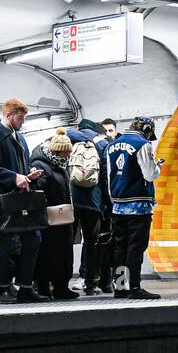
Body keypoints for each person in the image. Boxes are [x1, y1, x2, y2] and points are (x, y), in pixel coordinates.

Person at [0, 98, 44, 303]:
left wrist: (28, 173)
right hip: (1, 203)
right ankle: (4, 288)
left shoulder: (21, 138)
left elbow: (22, 165)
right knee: (3, 247)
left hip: (20, 202)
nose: (22, 122)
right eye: (20, 118)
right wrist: (13, 177)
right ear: (8, 115)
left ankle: (25, 287)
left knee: (33, 239)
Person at [105, 115, 162, 300]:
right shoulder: (142, 144)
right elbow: (149, 174)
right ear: (146, 129)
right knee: (135, 247)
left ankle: (121, 286)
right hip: (138, 206)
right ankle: (135, 287)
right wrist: (157, 166)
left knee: (119, 247)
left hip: (118, 205)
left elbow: (110, 176)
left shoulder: (111, 145)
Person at [29, 128, 80, 300]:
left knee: (64, 252)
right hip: (49, 219)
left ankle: (61, 286)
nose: (67, 157)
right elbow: (39, 193)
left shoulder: (59, 165)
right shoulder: (41, 165)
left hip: (62, 217)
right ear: (57, 150)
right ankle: (44, 286)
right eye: (66, 153)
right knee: (48, 253)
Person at [68, 118, 110, 295]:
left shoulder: (68, 139)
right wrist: (107, 202)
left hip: (70, 201)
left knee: (65, 243)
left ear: (79, 128)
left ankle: (61, 282)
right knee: (92, 244)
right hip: (94, 202)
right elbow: (107, 175)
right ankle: (92, 285)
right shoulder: (102, 143)